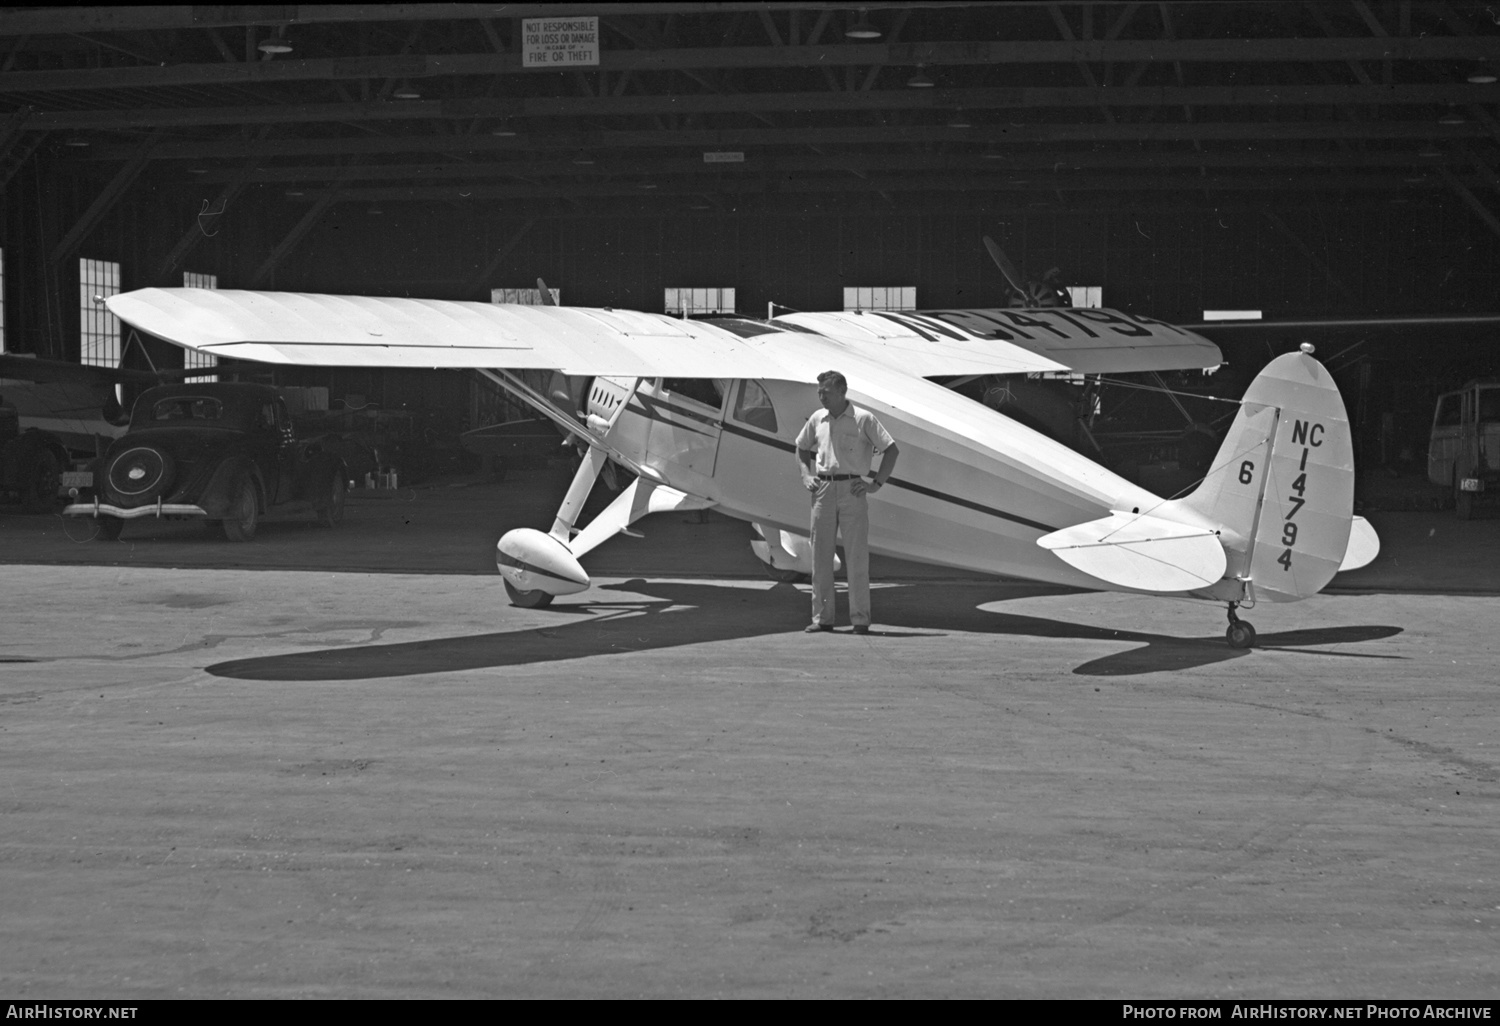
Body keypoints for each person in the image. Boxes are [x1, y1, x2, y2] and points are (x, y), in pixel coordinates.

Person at [794, 370, 899, 634]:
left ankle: (860, 620)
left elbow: (891, 450)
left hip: (853, 490)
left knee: (856, 557)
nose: (821, 397)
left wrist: (874, 484)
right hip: (823, 489)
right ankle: (823, 619)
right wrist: (806, 474)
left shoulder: (863, 419)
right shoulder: (818, 418)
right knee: (820, 558)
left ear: (842, 392)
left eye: (826, 392)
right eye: (819, 392)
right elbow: (801, 446)